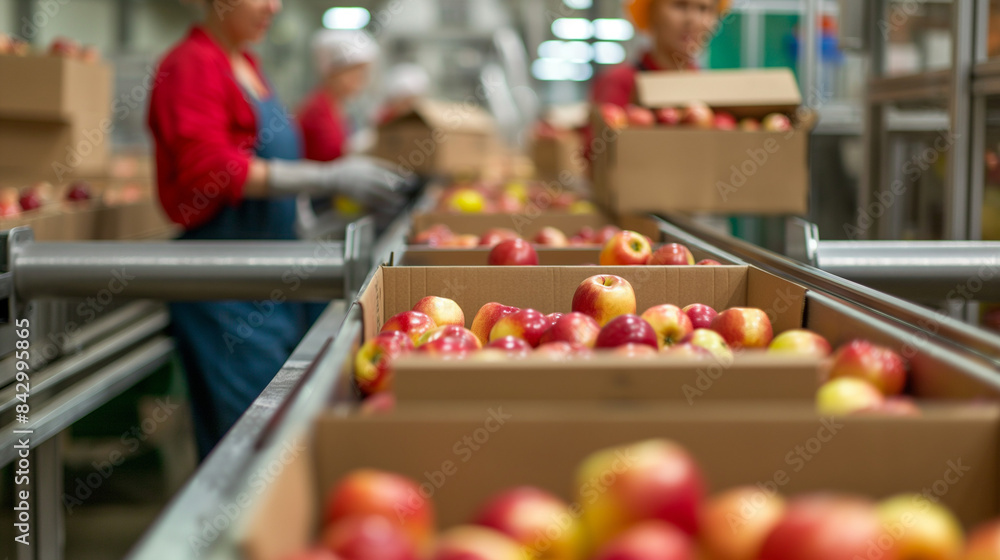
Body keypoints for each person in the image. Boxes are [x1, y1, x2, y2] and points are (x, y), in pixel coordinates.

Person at [147, 0, 405, 459]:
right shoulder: (190, 66)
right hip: (225, 286)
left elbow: (273, 161)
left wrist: (307, 214)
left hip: (272, 275)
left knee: (283, 420)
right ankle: (239, 531)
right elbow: (209, 171)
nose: (274, 6)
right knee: (256, 443)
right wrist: (327, 177)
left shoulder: (247, 64)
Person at [592, 0, 729, 108]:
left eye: (703, 8)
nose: (692, 19)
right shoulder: (620, 83)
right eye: (679, 5)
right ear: (652, 12)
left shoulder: (710, 88)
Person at [298, 30, 379, 163]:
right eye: (355, 70)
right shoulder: (317, 110)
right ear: (333, 72)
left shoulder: (338, 105)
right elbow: (329, 159)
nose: (361, 78)